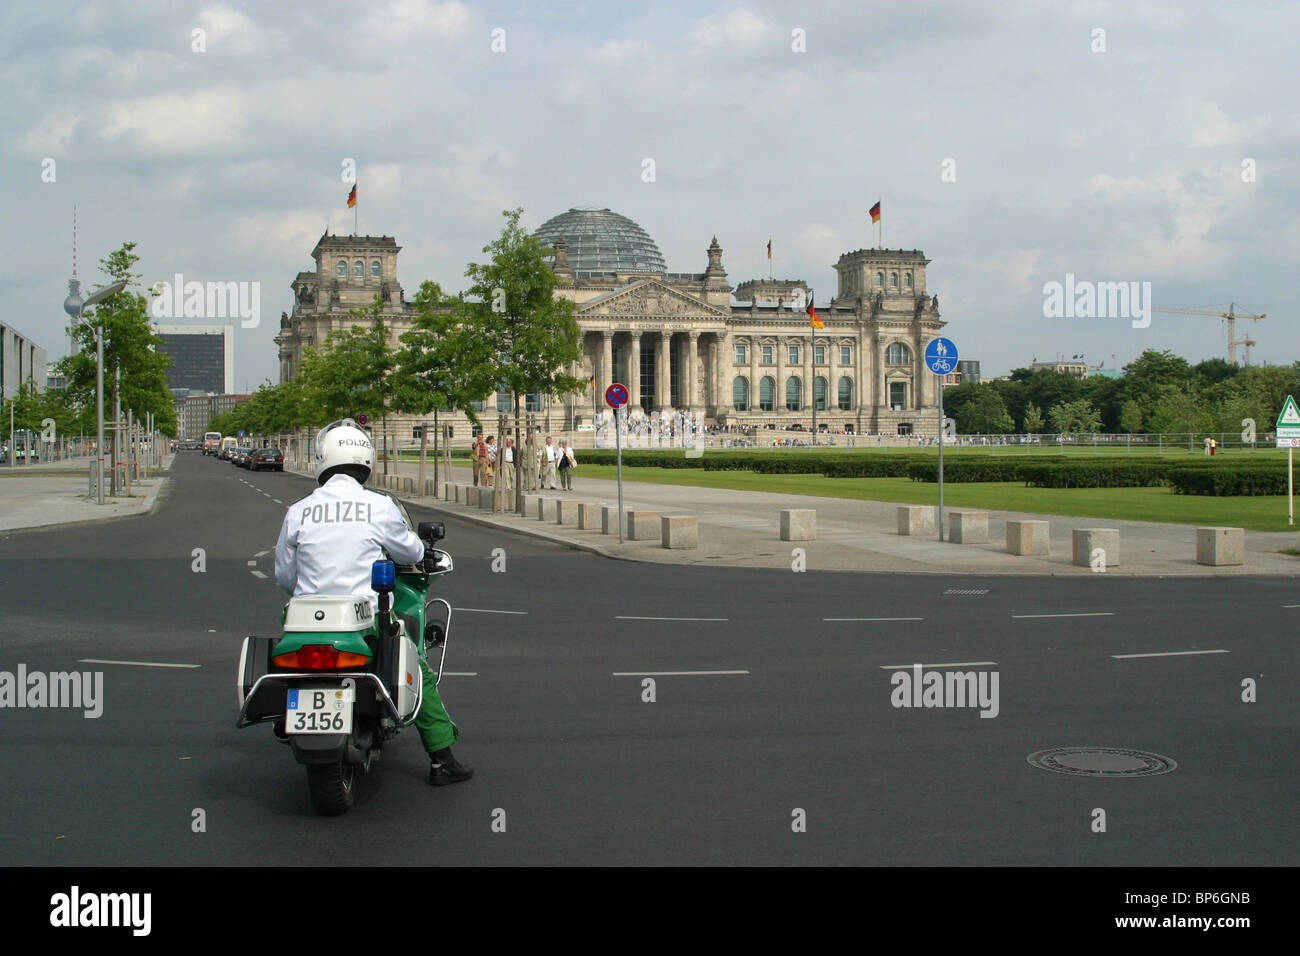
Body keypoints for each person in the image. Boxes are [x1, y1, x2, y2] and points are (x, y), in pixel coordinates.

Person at [274, 419, 472, 787]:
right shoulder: (377, 506)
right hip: (365, 618)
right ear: (366, 460)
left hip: (308, 619)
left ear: (323, 459)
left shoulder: (299, 510)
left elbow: (285, 575)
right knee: (416, 668)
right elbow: (411, 549)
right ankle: (441, 759)